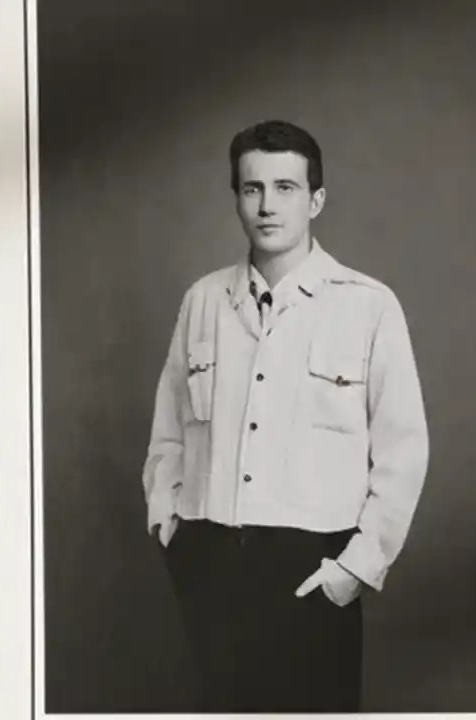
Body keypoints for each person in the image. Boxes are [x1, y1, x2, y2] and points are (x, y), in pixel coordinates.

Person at [141, 119, 429, 713]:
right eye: (252, 189)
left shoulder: (367, 306)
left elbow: (404, 450)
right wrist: (166, 521)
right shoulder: (203, 301)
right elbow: (169, 430)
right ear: (237, 198)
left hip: (312, 571)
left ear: (316, 199)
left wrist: (355, 568)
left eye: (286, 188)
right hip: (210, 561)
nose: (267, 205)